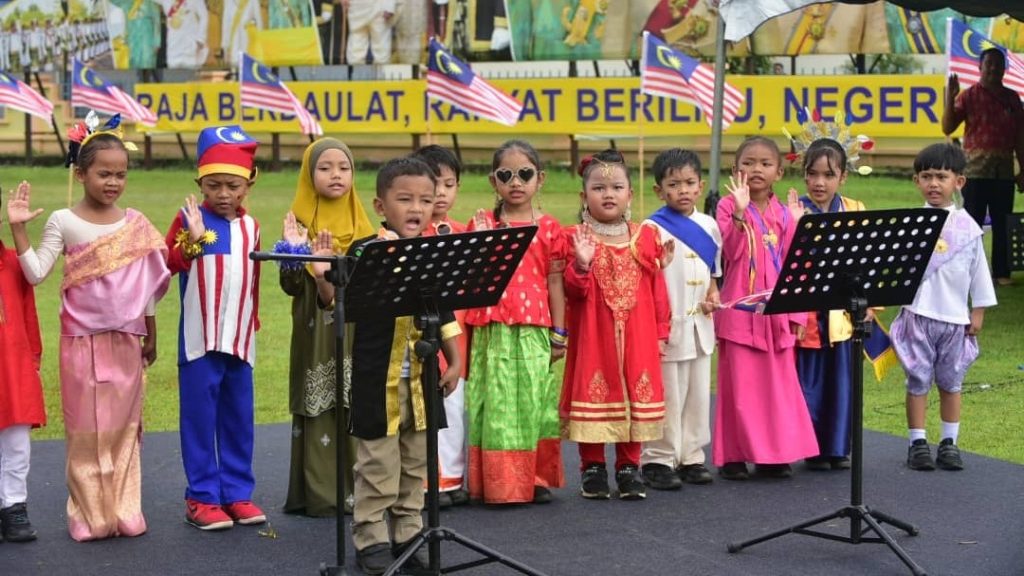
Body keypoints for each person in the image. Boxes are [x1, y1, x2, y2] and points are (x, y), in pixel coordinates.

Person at [8, 115, 171, 541]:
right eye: (103, 174)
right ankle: (87, 512)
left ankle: (125, 505)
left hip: (127, 337)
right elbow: (36, 273)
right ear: (80, 174)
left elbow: (146, 285)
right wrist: (19, 229)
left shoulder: (134, 221)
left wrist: (150, 329)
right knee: (85, 429)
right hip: (80, 341)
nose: (113, 182)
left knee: (124, 425)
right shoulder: (64, 220)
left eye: (121, 175)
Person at [309, 157, 461, 575]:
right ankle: (371, 535)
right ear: (381, 205)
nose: (417, 208)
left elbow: (444, 314)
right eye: (405, 199)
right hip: (378, 381)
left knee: (415, 460)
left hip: (423, 380)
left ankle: (409, 530)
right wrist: (324, 275)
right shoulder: (367, 250)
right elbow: (337, 304)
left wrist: (456, 360)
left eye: (426, 200)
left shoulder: (433, 250)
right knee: (378, 462)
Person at [165, 125, 266, 531]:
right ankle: (202, 496)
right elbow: (171, 262)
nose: (223, 193)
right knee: (199, 418)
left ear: (248, 184)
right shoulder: (190, 218)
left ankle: (237, 493)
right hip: (199, 340)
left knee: (239, 417)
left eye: (232, 185)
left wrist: (254, 321)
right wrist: (191, 241)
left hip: (240, 339)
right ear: (200, 182)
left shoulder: (252, 227)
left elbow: (251, 280)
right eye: (213, 184)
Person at [562, 149, 670, 500]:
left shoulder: (645, 237)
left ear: (630, 194)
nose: (608, 194)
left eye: (617, 187)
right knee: (595, 389)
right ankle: (591, 466)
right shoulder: (575, 238)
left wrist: (662, 331)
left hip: (638, 334)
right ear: (584, 196)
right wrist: (580, 265)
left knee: (635, 392)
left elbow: (657, 289)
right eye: (599, 187)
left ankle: (629, 466)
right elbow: (571, 292)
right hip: (593, 334)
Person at [464, 139, 566, 505]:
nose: (516, 182)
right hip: (492, 327)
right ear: (494, 181)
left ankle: (534, 478)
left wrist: (560, 333)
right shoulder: (483, 224)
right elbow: (471, 279)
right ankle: (494, 483)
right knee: (492, 402)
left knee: (534, 400)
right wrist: (478, 241)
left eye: (524, 174)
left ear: (540, 179)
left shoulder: (551, 228)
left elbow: (555, 281)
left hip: (536, 326)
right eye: (506, 175)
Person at [277, 138, 374, 517]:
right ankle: (318, 495)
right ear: (308, 173)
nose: (336, 175)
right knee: (318, 406)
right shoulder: (298, 223)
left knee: (355, 403)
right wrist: (295, 253)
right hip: (315, 332)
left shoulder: (364, 225)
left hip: (356, 332)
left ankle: (359, 492)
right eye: (325, 167)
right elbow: (288, 287)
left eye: (344, 168)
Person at [714, 136, 818, 480]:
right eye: (748, 163)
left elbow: (797, 265)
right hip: (741, 313)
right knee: (740, 389)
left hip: (776, 315)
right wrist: (741, 214)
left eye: (764, 164)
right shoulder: (727, 207)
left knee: (777, 390)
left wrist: (798, 313)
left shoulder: (787, 215)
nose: (755, 169)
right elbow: (729, 253)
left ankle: (773, 455)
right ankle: (734, 455)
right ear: (735, 170)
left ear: (779, 171)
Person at [892, 143, 997, 471]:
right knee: (917, 380)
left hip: (954, 319)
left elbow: (979, 271)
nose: (934, 183)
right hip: (918, 315)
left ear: (959, 182)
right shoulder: (913, 224)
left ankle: (949, 442)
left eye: (941, 176)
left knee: (951, 382)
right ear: (916, 181)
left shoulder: (968, 228)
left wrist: (977, 311)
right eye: (926, 176)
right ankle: (917, 441)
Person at [639, 148, 721, 490]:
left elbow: (713, 272)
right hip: (667, 327)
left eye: (689, 183)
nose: (683, 190)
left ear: (700, 186)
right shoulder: (650, 228)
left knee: (698, 394)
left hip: (700, 326)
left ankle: (691, 455)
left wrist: (713, 295)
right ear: (660, 190)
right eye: (674, 184)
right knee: (668, 395)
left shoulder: (709, 225)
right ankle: (659, 457)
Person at [792, 138, 867, 472]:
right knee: (809, 380)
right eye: (812, 174)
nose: (819, 182)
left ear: (843, 177)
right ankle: (812, 447)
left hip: (841, 311)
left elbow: (866, 261)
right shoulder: (793, 210)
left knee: (841, 380)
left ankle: (837, 447)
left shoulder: (854, 210)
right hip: (807, 312)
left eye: (828, 174)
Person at [412, 144, 470, 508]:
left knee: (454, 405)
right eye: (434, 185)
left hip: (459, 335)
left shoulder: (463, 231)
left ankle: (450, 479)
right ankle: (422, 481)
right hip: (420, 337)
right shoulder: (409, 231)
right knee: (421, 407)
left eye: (449, 185)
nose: (441, 194)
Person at [942, 47, 1024, 287]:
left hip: (1004, 172)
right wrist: (950, 97)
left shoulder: (1012, 99)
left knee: (1002, 223)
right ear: (980, 67)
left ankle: (1002, 272)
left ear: (1004, 69)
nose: (993, 68)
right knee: (972, 224)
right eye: (989, 63)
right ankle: (969, 273)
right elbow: (947, 127)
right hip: (975, 172)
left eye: (998, 64)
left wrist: (1023, 170)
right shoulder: (968, 96)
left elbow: (1021, 136)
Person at [0, 194, 45, 543]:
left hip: (12, 369)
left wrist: (33, 361)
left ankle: (14, 506)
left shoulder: (13, 265)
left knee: (16, 444)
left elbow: (29, 317)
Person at [342, 0, 396, 64]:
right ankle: (356, 72)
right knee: (356, 48)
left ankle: (381, 72)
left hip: (379, 9)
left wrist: (389, 6)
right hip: (356, 10)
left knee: (381, 49)